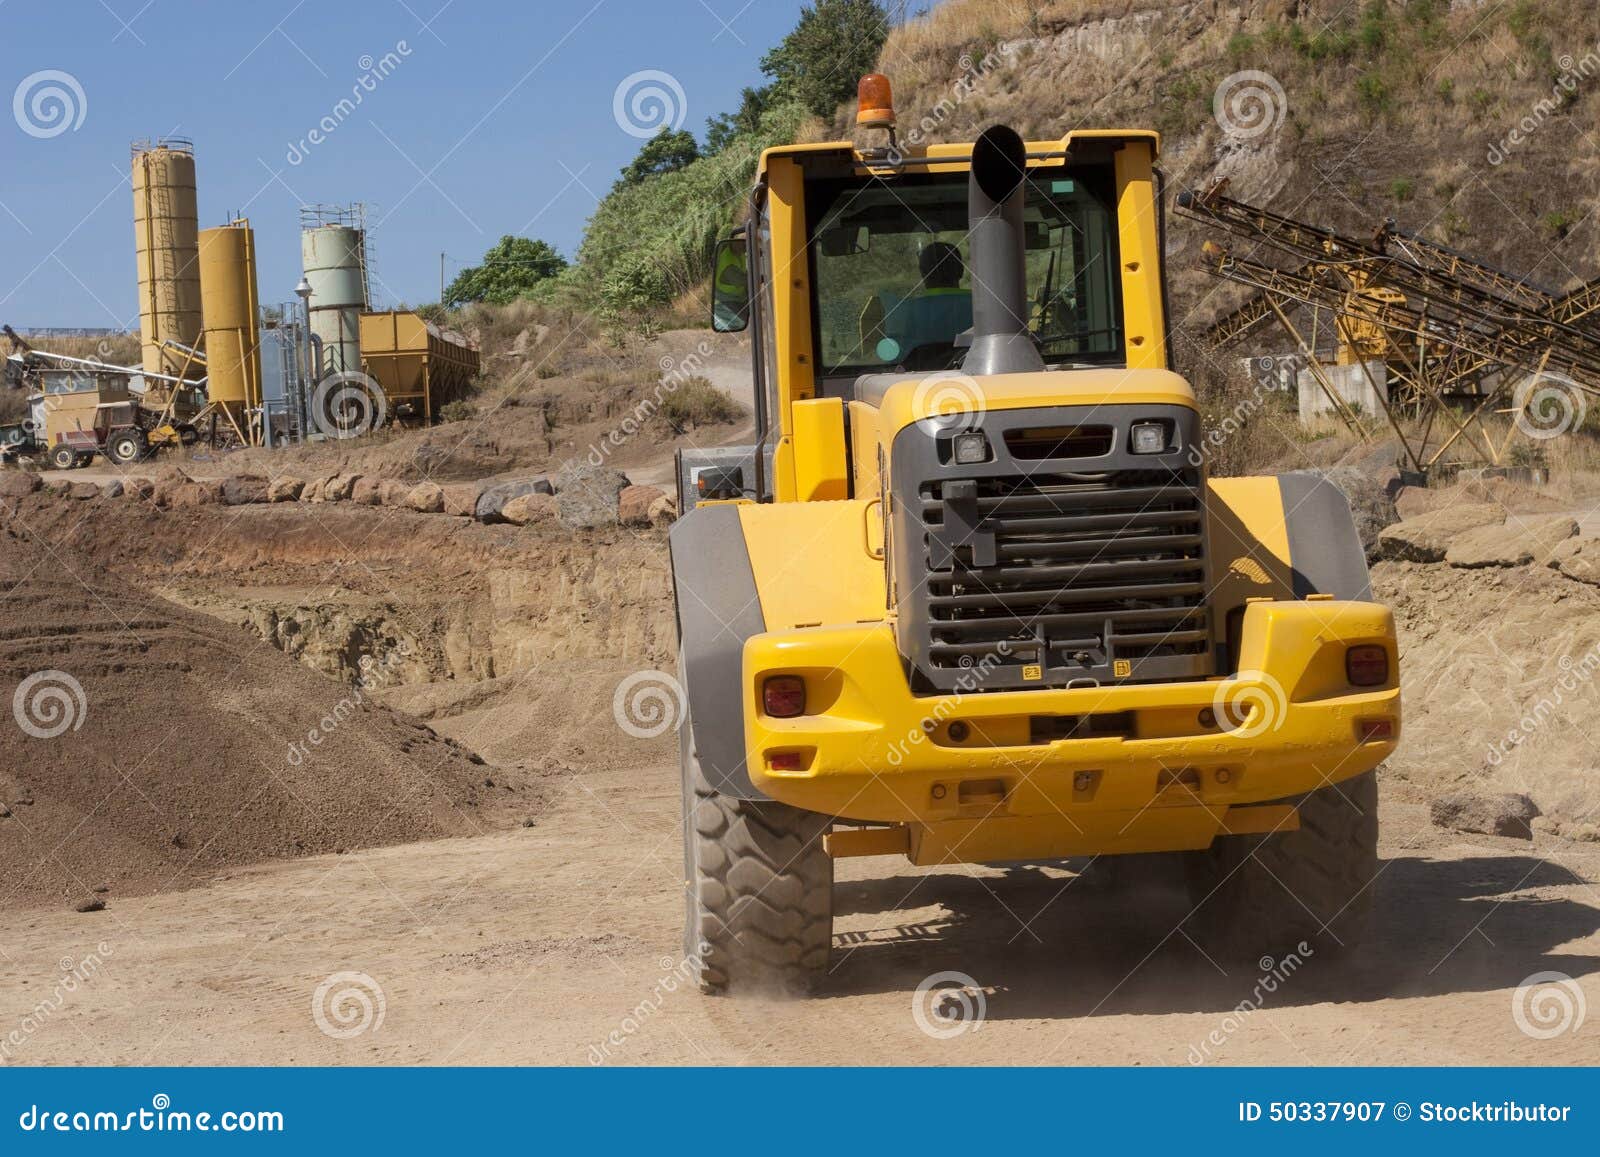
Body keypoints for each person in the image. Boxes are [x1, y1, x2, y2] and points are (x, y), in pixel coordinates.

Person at [883, 240, 972, 359]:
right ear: (961, 271)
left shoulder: (908, 311)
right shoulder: (981, 306)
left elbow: (893, 357)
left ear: (923, 273)